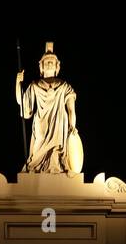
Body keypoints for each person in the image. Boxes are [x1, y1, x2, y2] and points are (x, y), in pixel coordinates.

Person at [15, 42, 81, 175]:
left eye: (52, 61)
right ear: (41, 67)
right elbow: (24, 105)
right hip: (41, 123)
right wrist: (18, 83)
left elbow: (71, 110)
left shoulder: (64, 86)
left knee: (57, 151)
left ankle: (57, 167)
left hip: (58, 123)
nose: (49, 63)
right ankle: (35, 166)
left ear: (57, 66)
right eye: (46, 61)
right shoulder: (35, 85)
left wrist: (72, 126)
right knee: (38, 145)